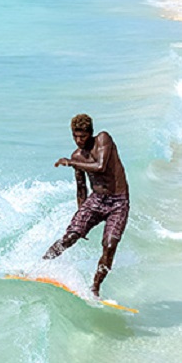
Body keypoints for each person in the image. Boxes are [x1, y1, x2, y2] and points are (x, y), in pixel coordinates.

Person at [43, 113, 130, 297]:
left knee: (109, 244)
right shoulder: (76, 156)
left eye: (82, 136)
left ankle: (95, 288)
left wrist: (71, 162)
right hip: (96, 199)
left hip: (118, 202)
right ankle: (41, 264)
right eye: (75, 136)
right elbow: (81, 188)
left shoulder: (103, 139)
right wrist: (81, 217)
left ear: (90, 133)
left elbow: (100, 166)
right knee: (71, 236)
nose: (78, 140)